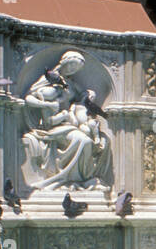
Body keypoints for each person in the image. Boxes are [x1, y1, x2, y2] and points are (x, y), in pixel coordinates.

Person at [21, 50, 112, 192]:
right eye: (71, 66)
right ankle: (73, 178)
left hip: (69, 123)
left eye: (76, 68)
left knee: (102, 139)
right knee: (84, 140)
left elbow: (82, 97)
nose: (73, 70)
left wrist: (86, 97)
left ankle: (82, 179)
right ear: (64, 62)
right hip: (52, 126)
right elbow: (28, 98)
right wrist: (47, 105)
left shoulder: (71, 84)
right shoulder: (49, 80)